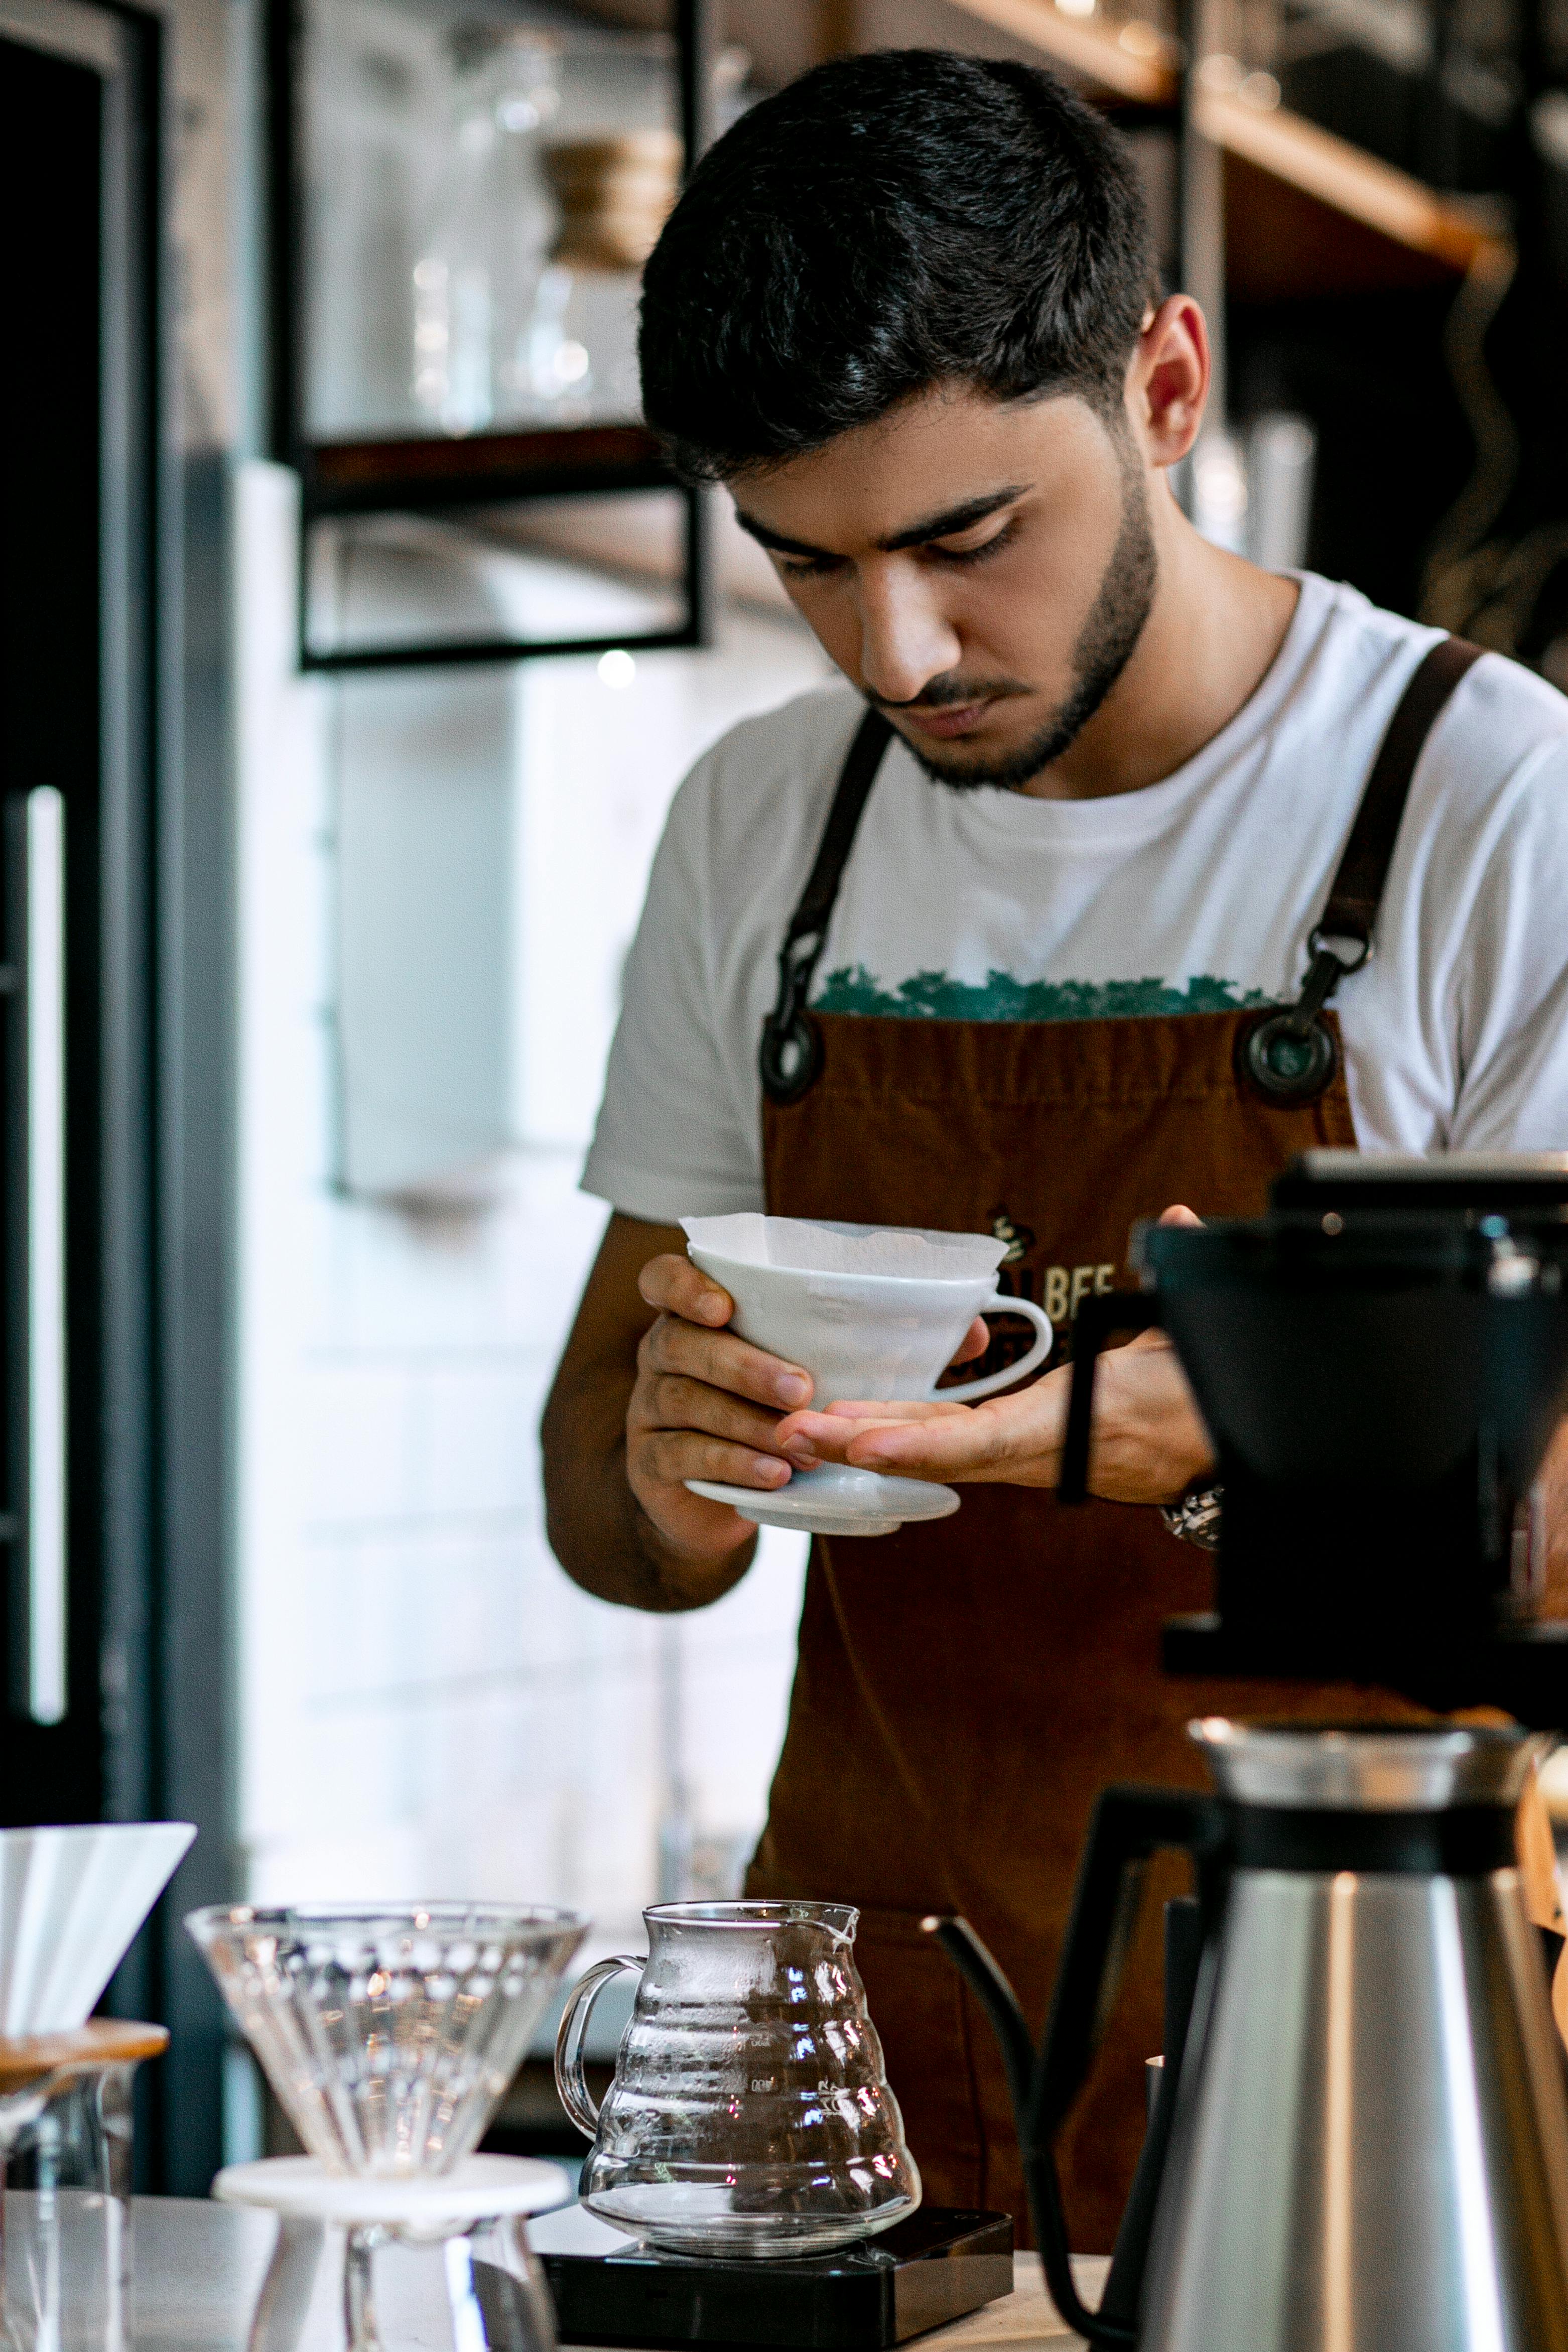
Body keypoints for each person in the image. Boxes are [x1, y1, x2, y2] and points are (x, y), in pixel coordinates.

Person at [542, 48, 1568, 2251]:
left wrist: (1223, 1434)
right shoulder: (766, 824)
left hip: (1358, 2046)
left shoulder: (1496, 805)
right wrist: (663, 1464)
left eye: (963, 538)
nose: (893, 649)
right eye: (803, 563)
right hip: (867, 2078)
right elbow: (605, 1512)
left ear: (1166, 383)